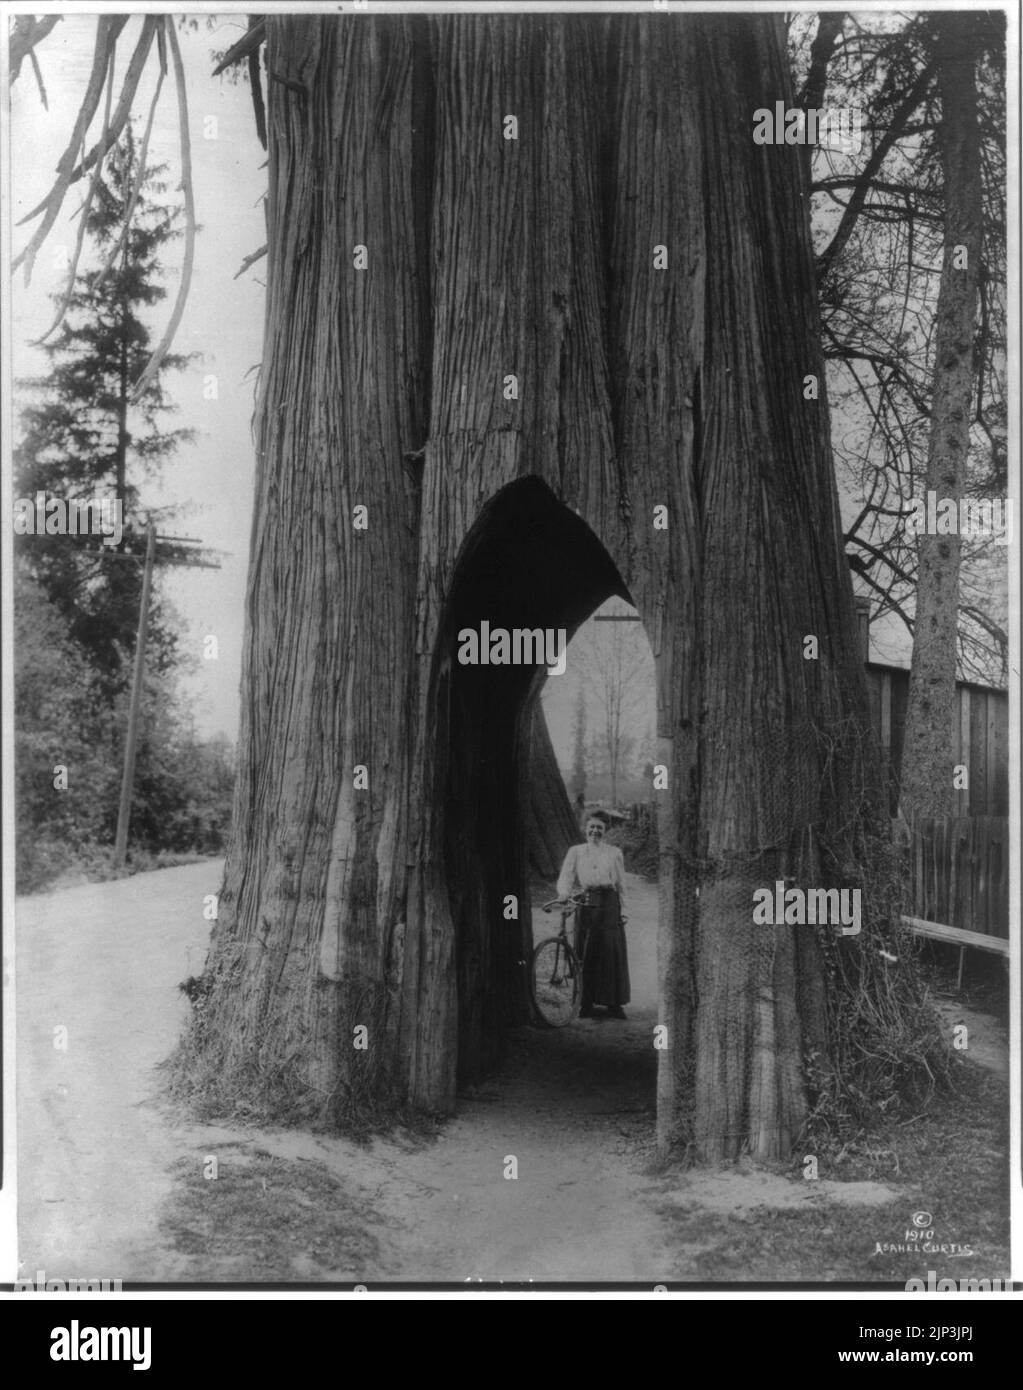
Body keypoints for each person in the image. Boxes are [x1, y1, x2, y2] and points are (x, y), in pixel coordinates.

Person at [556, 811, 630, 1019]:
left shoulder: (614, 852)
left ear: (605, 831)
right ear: (585, 829)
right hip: (587, 903)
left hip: (610, 904)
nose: (595, 831)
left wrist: (625, 910)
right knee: (587, 952)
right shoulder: (576, 851)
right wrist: (563, 893)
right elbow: (566, 876)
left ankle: (614, 1004)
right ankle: (585, 1003)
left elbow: (621, 882)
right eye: (592, 827)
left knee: (611, 952)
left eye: (599, 828)